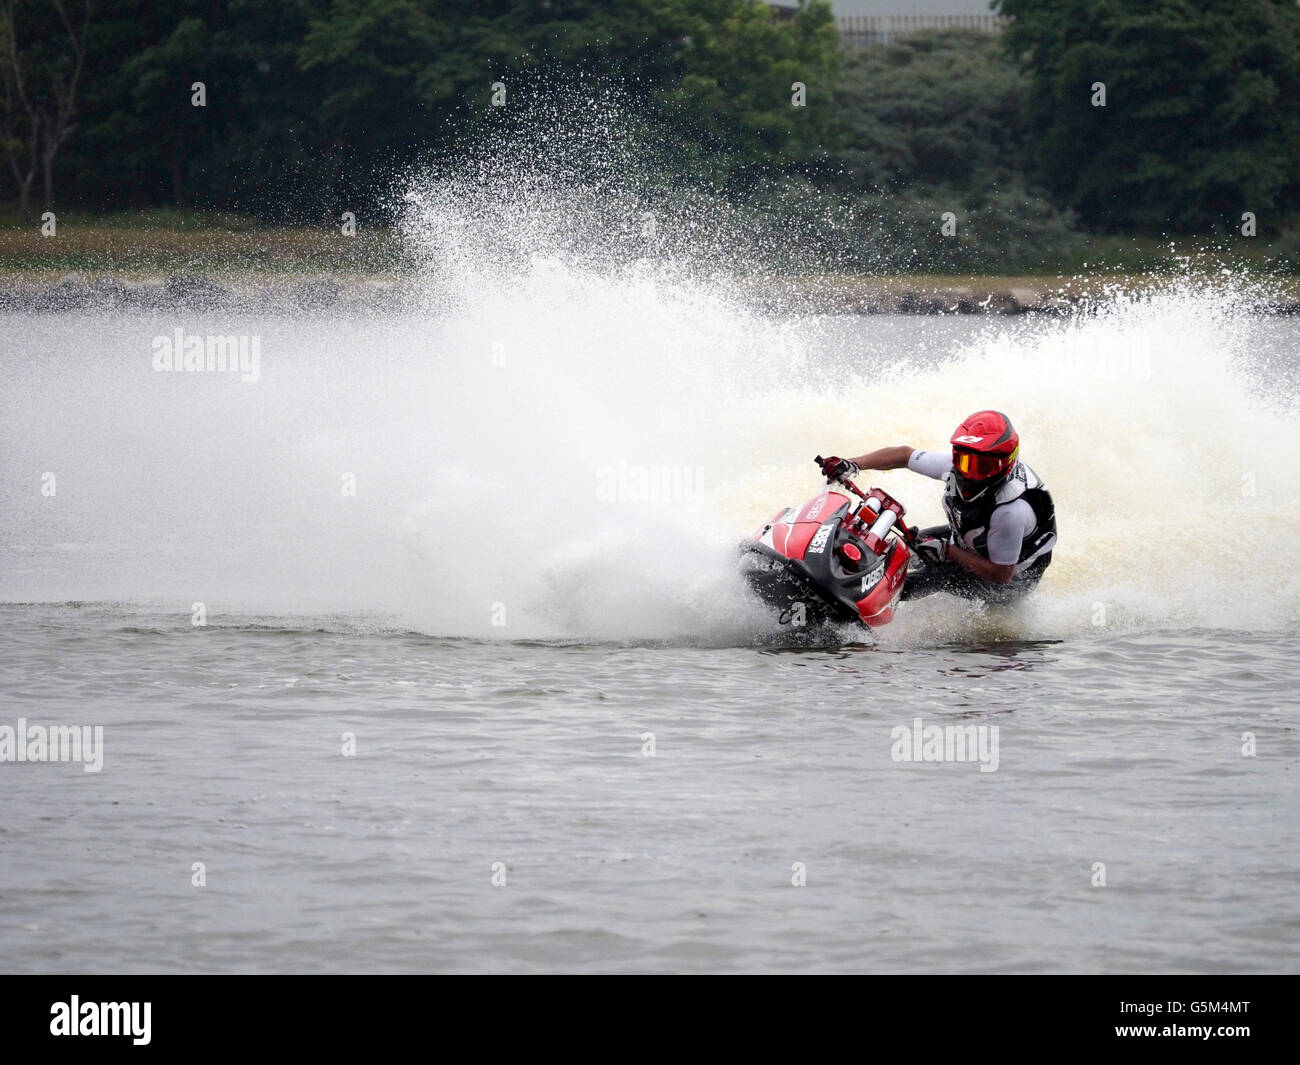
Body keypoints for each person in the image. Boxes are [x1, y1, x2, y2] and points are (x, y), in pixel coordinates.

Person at [820, 410, 1056, 604]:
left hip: (1010, 581)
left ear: (1005, 465)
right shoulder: (954, 467)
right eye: (963, 461)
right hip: (973, 541)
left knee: (938, 576)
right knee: (901, 550)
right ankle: (836, 574)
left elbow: (1001, 575)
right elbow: (904, 455)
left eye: (982, 467)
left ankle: (853, 604)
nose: (969, 474)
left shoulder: (1010, 512)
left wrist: (947, 552)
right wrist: (853, 464)